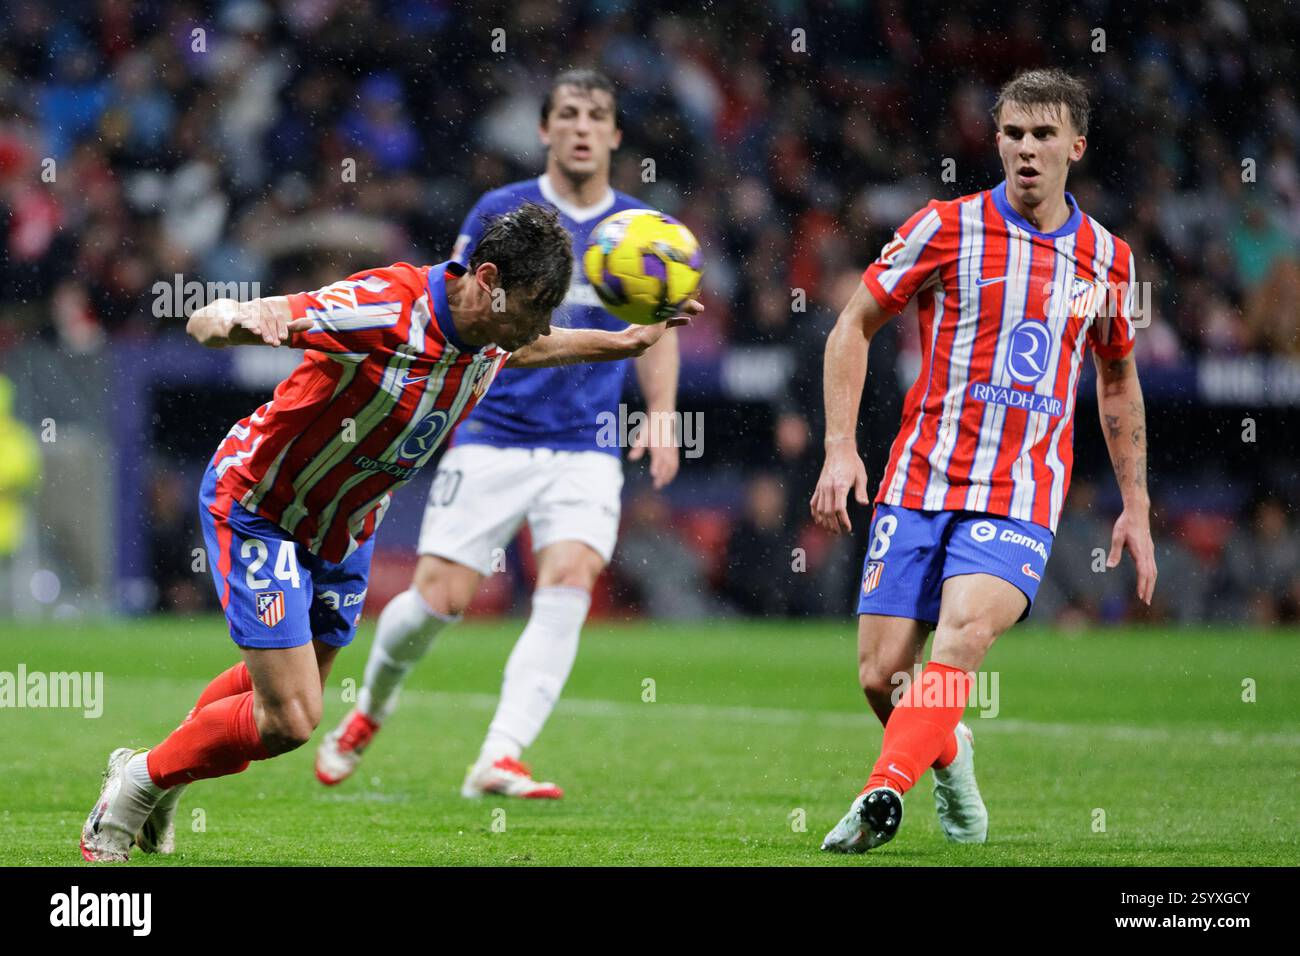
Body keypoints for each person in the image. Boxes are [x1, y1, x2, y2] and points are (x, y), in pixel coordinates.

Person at [79, 201, 699, 862]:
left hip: (345, 526)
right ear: (487, 279)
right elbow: (270, 315)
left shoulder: (495, 329)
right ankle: (136, 787)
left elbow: (528, 346)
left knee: (283, 692)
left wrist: (624, 343)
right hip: (262, 504)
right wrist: (231, 317)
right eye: (534, 306)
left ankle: (162, 777)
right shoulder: (386, 307)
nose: (540, 325)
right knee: (292, 718)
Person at [811, 69, 1157, 853]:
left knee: (963, 636)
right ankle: (948, 751)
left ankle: (880, 792)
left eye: (1043, 134)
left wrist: (1135, 505)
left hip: (1020, 493)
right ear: (996, 141)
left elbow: (1118, 377)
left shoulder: (1109, 262)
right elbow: (851, 325)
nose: (1026, 149)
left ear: (1077, 145)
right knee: (880, 678)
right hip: (921, 475)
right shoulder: (945, 228)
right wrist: (840, 447)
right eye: (1013, 133)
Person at [315, 70, 684, 799]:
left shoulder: (644, 230)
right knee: (439, 600)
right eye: (568, 113)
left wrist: (664, 413)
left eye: (597, 115)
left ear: (614, 134)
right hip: (491, 429)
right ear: (545, 130)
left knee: (571, 577)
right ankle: (367, 712)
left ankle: (500, 755)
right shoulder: (502, 211)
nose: (582, 126)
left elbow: (660, 327)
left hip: (586, 442)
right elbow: (465, 317)